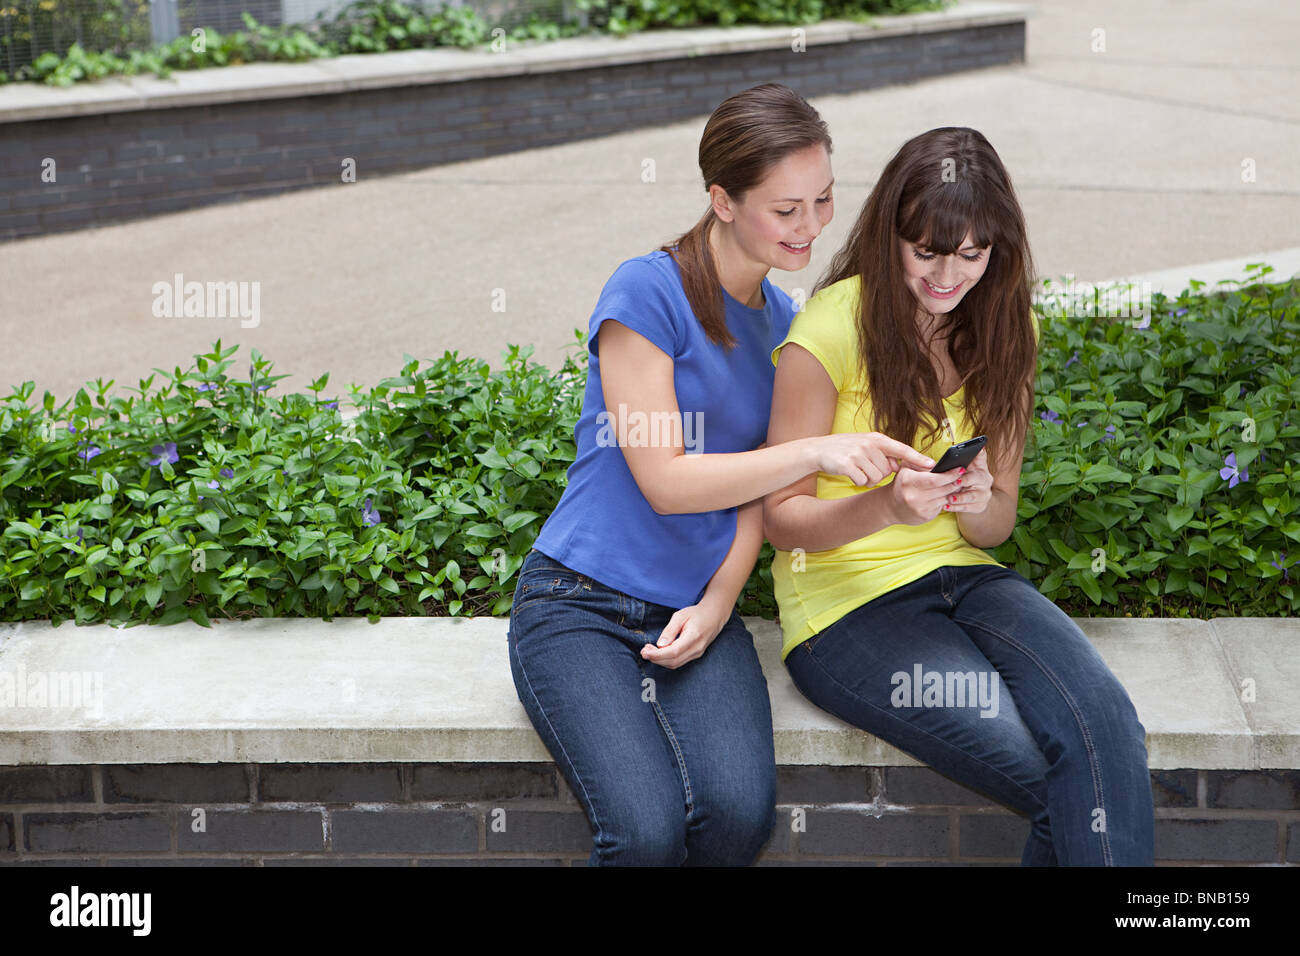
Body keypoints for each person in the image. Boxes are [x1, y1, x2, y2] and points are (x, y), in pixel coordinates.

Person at [506, 84, 936, 866]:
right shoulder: (646, 293)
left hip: (698, 608)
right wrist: (814, 453)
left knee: (739, 817)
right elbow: (666, 480)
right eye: (787, 208)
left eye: (824, 200)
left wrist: (717, 603)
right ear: (723, 200)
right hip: (579, 603)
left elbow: (752, 494)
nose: (811, 227)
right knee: (643, 833)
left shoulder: (782, 322)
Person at [763, 127, 1155, 865]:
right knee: (1063, 785)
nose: (948, 276)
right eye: (926, 252)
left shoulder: (1007, 326)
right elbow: (779, 520)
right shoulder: (827, 333)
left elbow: (996, 525)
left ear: (997, 251)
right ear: (889, 239)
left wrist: (973, 499)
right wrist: (886, 505)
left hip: (968, 581)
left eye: (972, 255)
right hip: (845, 608)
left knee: (1105, 726)